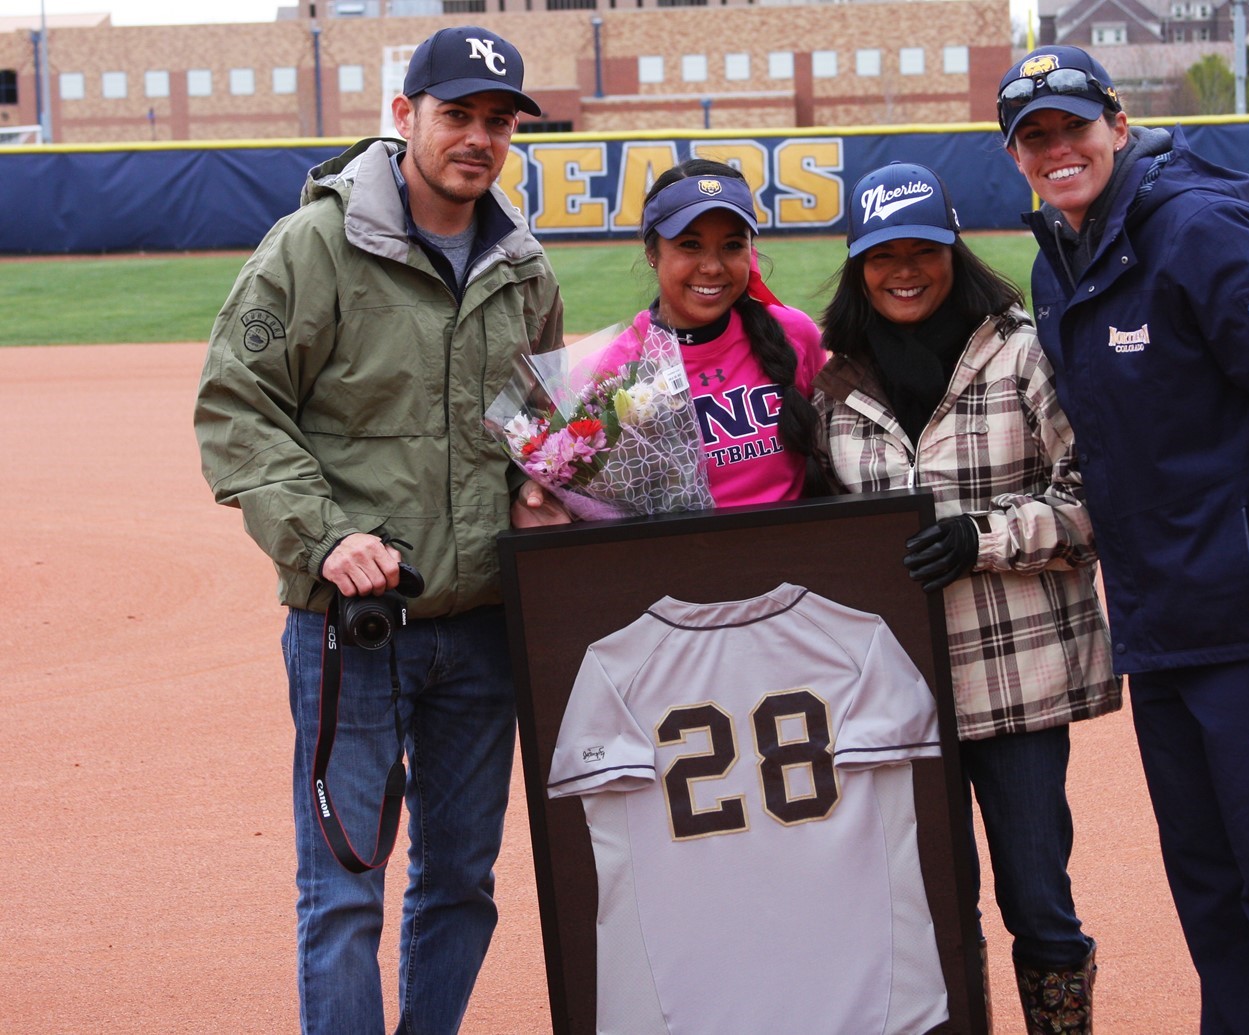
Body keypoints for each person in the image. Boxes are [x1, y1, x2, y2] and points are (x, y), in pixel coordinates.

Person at [998, 45, 1249, 1034]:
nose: (1056, 150)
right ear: (1014, 156)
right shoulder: (1059, 260)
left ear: (1116, 128)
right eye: (1032, 137)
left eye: (1072, 128)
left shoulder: (1197, 228)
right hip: (1165, 629)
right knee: (1212, 903)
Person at [194, 26, 567, 1035]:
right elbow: (238, 408)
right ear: (404, 117)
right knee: (346, 889)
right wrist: (322, 539)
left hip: (485, 626)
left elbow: (537, 420)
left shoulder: (523, 266)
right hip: (354, 628)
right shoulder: (312, 247)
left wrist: (547, 483)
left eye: (497, 121)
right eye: (457, 115)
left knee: (461, 883)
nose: (478, 138)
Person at [812, 161, 1121, 1035]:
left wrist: (981, 539)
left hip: (1016, 684)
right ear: (858, 266)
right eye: (883, 255)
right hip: (896, 698)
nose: (904, 270)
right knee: (932, 910)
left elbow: (1095, 503)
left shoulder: (1023, 350)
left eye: (923, 249)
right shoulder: (835, 387)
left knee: (1038, 899)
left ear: (955, 249)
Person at [596, 157, 827, 506]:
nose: (712, 267)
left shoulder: (795, 333)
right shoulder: (620, 368)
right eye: (690, 244)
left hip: (793, 553)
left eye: (732, 245)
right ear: (651, 252)